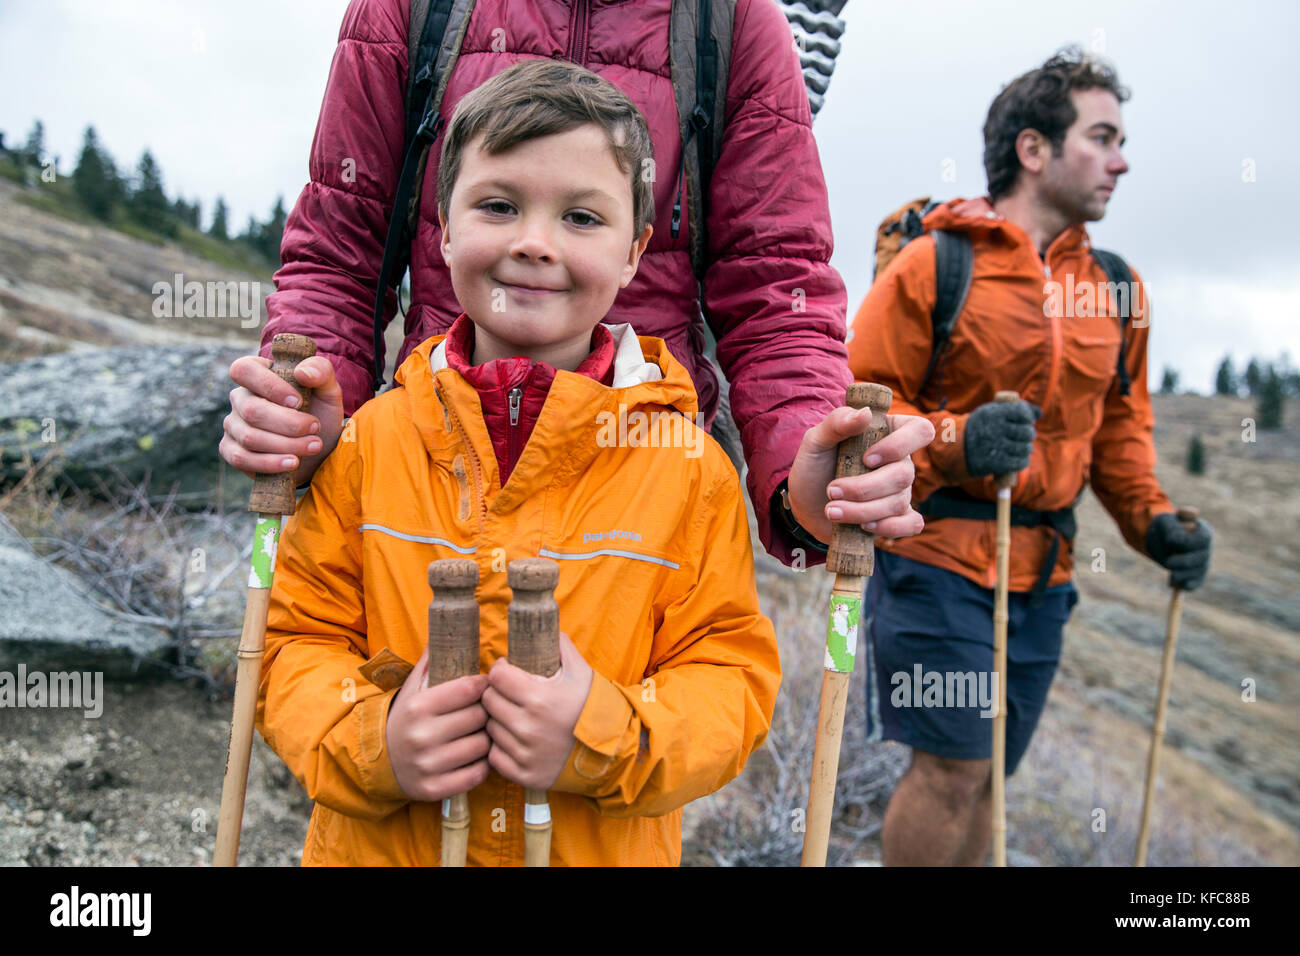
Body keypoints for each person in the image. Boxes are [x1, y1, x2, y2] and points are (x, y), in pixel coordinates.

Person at [256, 59, 782, 866]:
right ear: (443, 227)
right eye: (499, 206)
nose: (535, 244)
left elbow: (729, 681)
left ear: (636, 249)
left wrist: (600, 736)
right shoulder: (371, 443)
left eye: (581, 217)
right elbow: (294, 643)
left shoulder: (689, 469)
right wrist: (375, 742)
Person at [219, 0, 933, 566]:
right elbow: (340, 247)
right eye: (498, 207)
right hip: (420, 469)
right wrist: (307, 402)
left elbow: (779, 286)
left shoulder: (736, 23)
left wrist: (804, 472)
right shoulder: (411, 8)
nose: (535, 245)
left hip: (649, 500)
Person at [846, 48, 1213, 866]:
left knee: (993, 776)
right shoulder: (935, 263)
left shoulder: (1117, 289)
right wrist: (956, 439)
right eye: (1103, 137)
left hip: (1043, 577)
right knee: (952, 767)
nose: (1123, 161)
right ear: (1034, 149)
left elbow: (1119, 431)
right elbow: (858, 408)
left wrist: (1155, 524)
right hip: (935, 559)